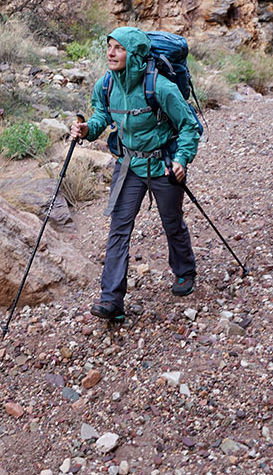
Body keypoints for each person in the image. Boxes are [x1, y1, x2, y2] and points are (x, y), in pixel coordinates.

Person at [69, 27, 201, 321]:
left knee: (171, 221)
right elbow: (103, 115)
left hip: (163, 164)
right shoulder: (106, 84)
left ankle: (185, 271)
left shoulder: (161, 87)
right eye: (109, 47)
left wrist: (182, 158)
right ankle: (111, 300)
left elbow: (188, 126)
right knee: (119, 228)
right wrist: (88, 128)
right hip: (128, 165)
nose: (111, 53)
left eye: (119, 48)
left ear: (135, 54)